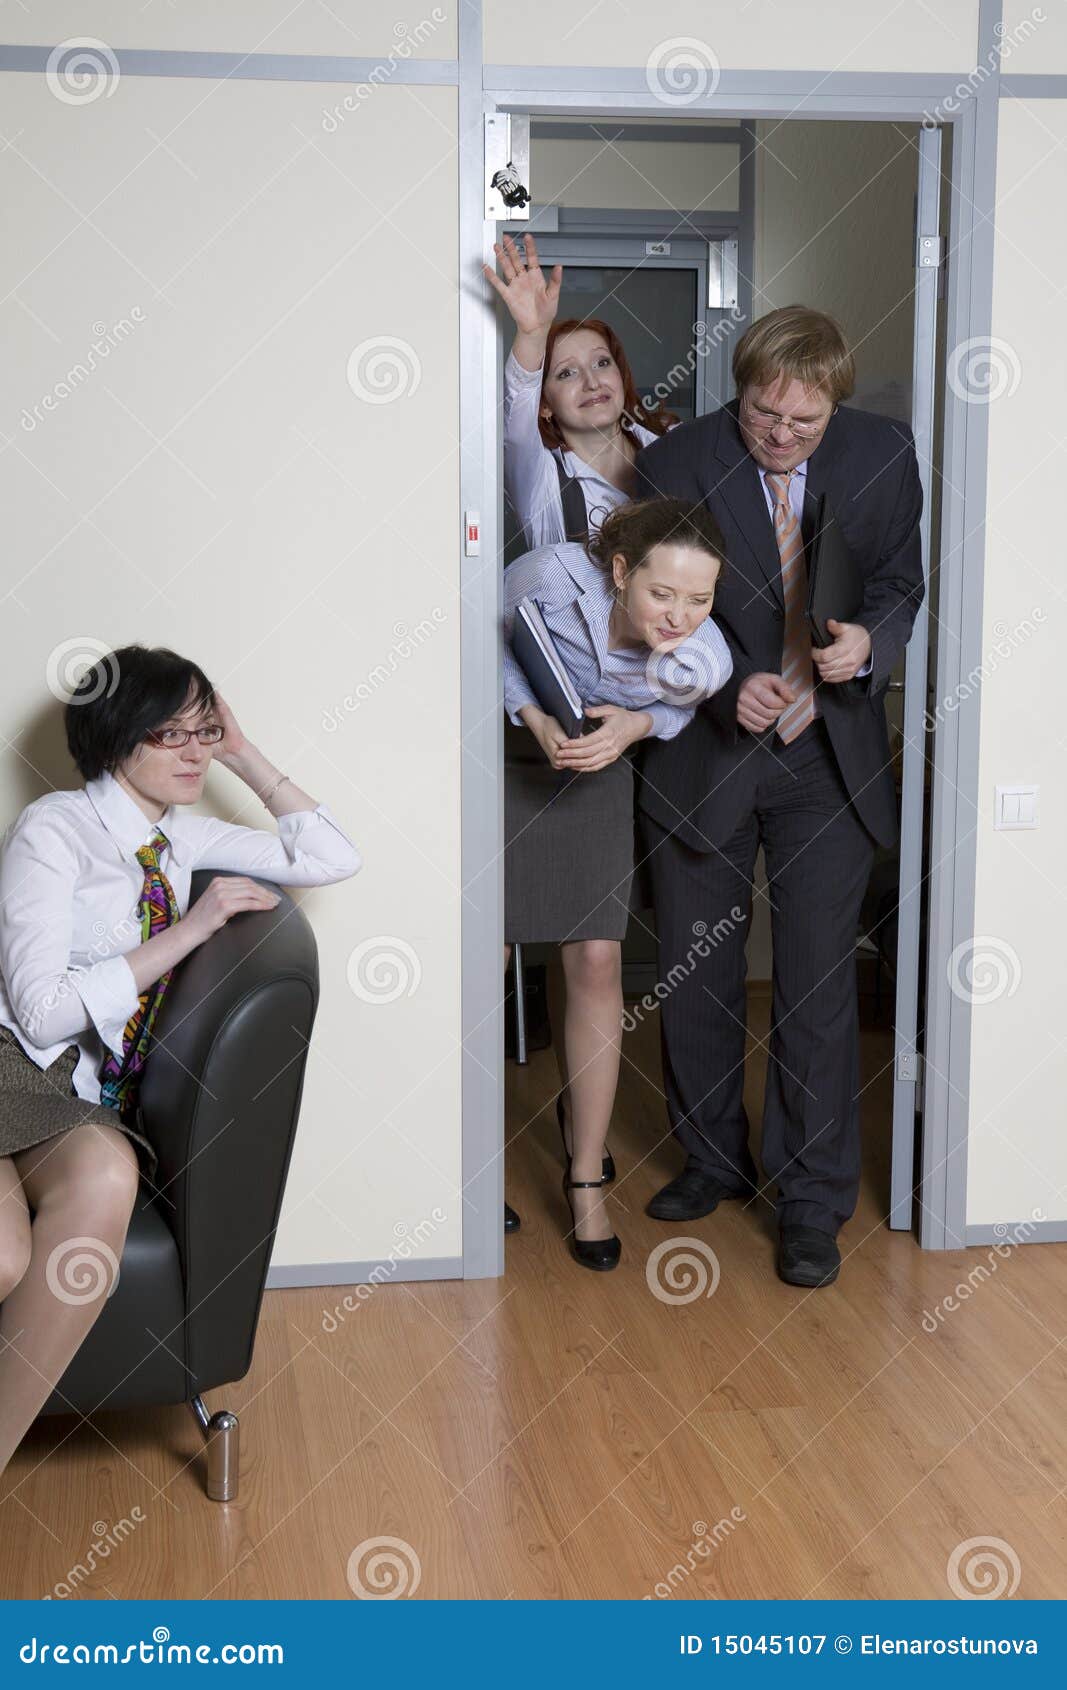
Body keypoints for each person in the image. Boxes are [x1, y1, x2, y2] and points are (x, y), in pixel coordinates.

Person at [0, 645, 362, 1484]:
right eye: (172, 734)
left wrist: (245, 752)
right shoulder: (54, 829)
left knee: (108, 1175)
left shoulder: (181, 837)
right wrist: (191, 931)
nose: (196, 751)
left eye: (205, 730)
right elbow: (40, 1013)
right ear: (115, 736)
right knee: (6, 1260)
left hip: (65, 1092)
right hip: (8, 1057)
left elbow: (332, 857)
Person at [632, 304, 925, 1289]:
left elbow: (899, 583)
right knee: (696, 971)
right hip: (707, 749)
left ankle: (809, 1199)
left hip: (827, 756)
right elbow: (648, 609)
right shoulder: (675, 463)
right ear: (741, 391)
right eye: (765, 415)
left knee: (814, 983)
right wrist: (720, 684)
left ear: (834, 401)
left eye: (805, 421)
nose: (782, 436)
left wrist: (869, 644)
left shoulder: (883, 452)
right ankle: (712, 1159)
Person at [502, 498, 733, 1269]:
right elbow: (479, 644)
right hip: (502, 761)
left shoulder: (703, 652)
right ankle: (464, 1165)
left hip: (595, 772)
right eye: (661, 594)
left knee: (598, 959)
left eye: (698, 599)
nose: (679, 617)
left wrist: (639, 725)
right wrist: (530, 713)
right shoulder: (545, 575)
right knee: (484, 960)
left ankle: (584, 1175)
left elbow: (682, 703)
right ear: (620, 571)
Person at [484, 231, 678, 549]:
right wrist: (532, 334)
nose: (592, 382)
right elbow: (516, 418)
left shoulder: (674, 445)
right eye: (567, 373)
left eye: (602, 363)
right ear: (544, 405)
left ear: (620, 376)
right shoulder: (539, 480)